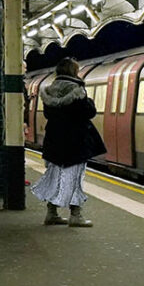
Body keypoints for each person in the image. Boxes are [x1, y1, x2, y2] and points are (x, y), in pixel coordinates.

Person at [31, 57, 107, 227]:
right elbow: (88, 112)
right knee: (74, 177)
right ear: (74, 72)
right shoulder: (77, 91)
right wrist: (89, 101)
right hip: (75, 140)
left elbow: (48, 115)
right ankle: (76, 215)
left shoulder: (49, 91)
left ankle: (51, 213)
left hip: (54, 139)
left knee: (55, 177)